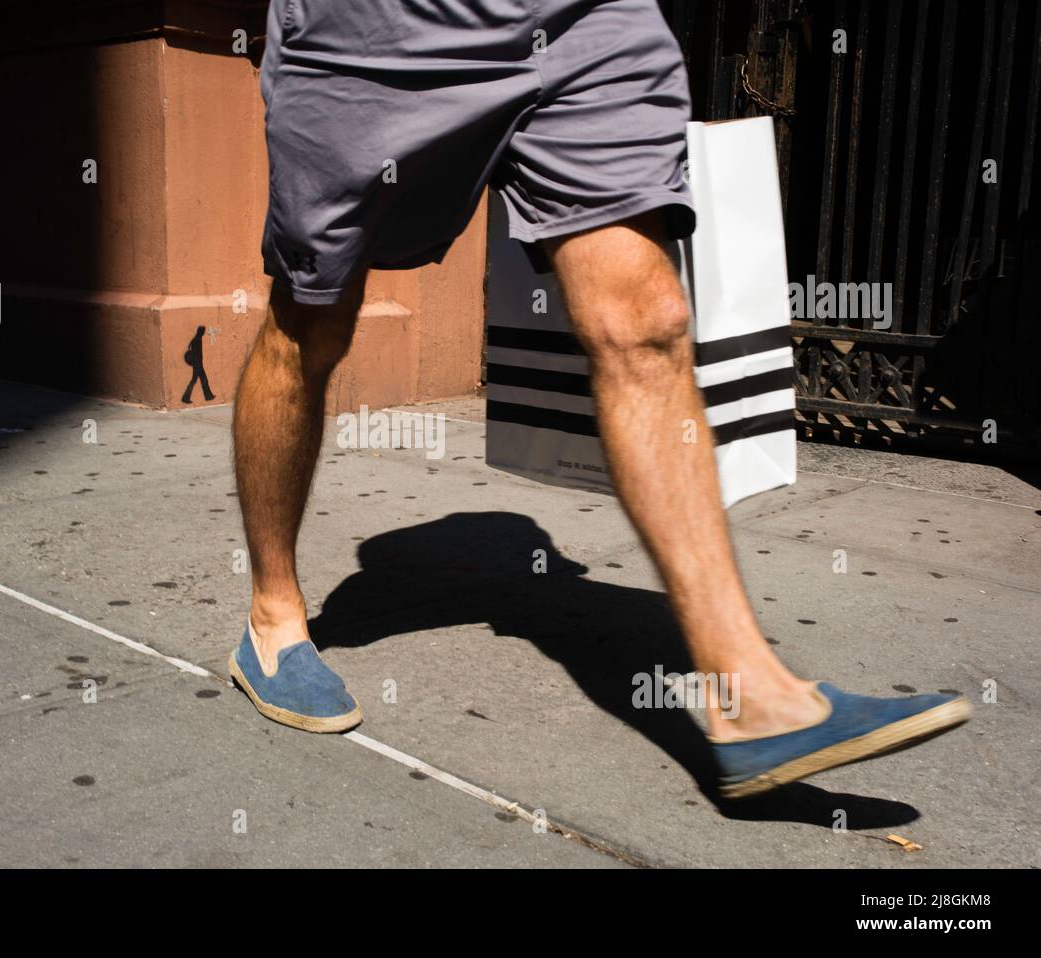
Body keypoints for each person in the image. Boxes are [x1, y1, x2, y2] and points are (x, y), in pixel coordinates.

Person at [227, 0, 970, 798]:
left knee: (646, 321)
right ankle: (274, 618)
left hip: (584, 18)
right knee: (312, 319)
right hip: (381, 31)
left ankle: (756, 699)